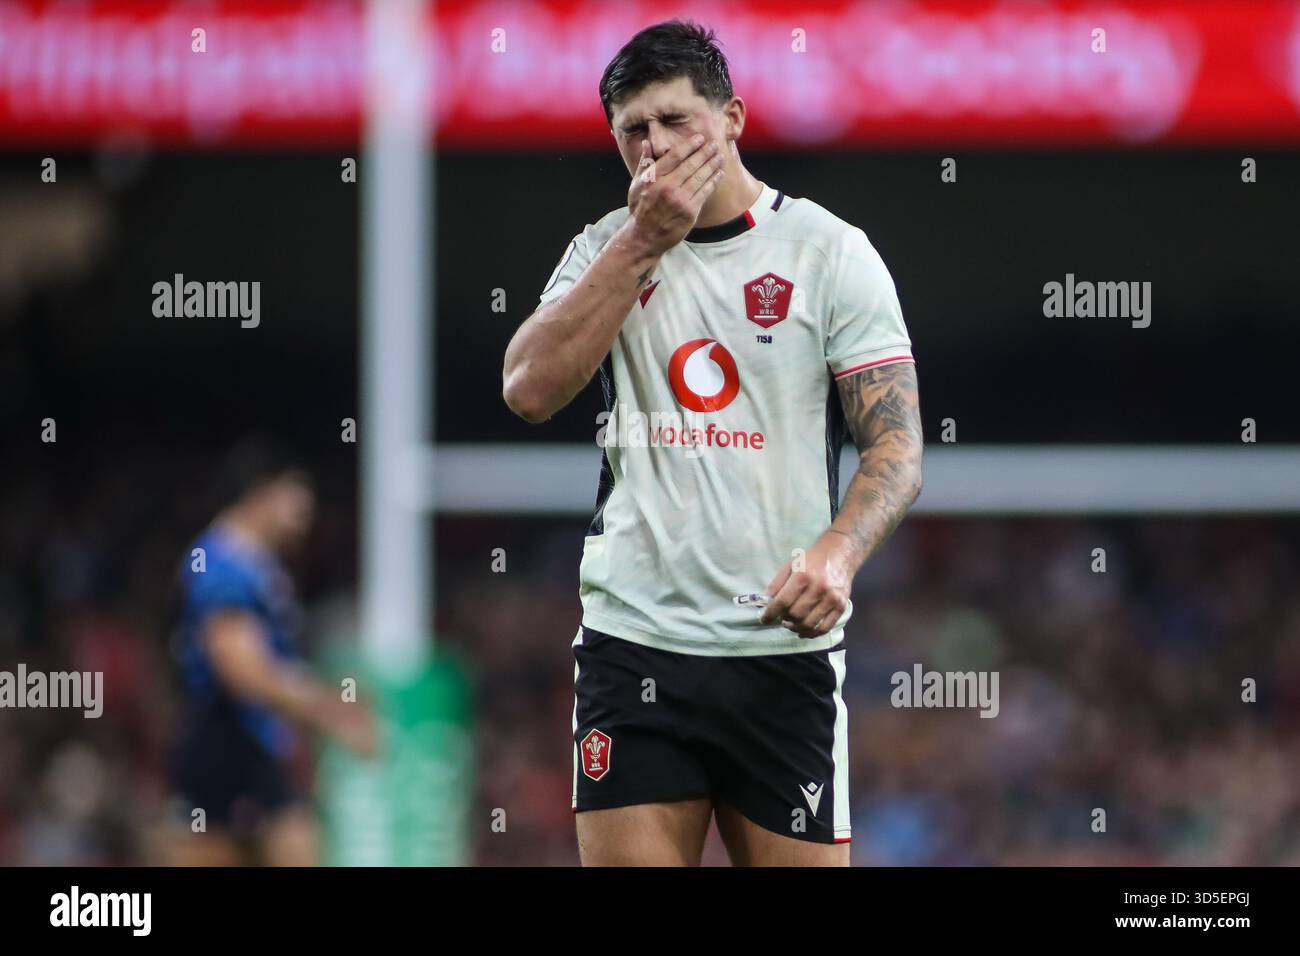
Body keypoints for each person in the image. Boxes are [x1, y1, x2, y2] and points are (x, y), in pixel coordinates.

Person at [503, 21, 924, 866]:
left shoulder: (829, 253)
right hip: (635, 644)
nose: (654, 147)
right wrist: (643, 243)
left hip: (779, 652)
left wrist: (838, 554)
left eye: (674, 120)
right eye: (633, 132)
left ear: (732, 117)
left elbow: (897, 447)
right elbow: (528, 389)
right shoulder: (604, 252)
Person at [165, 440, 376, 866]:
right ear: (260, 492)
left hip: (254, 747)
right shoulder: (221, 564)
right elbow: (242, 671)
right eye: (296, 496)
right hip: (224, 745)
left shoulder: (261, 566)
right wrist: (329, 714)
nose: (307, 511)